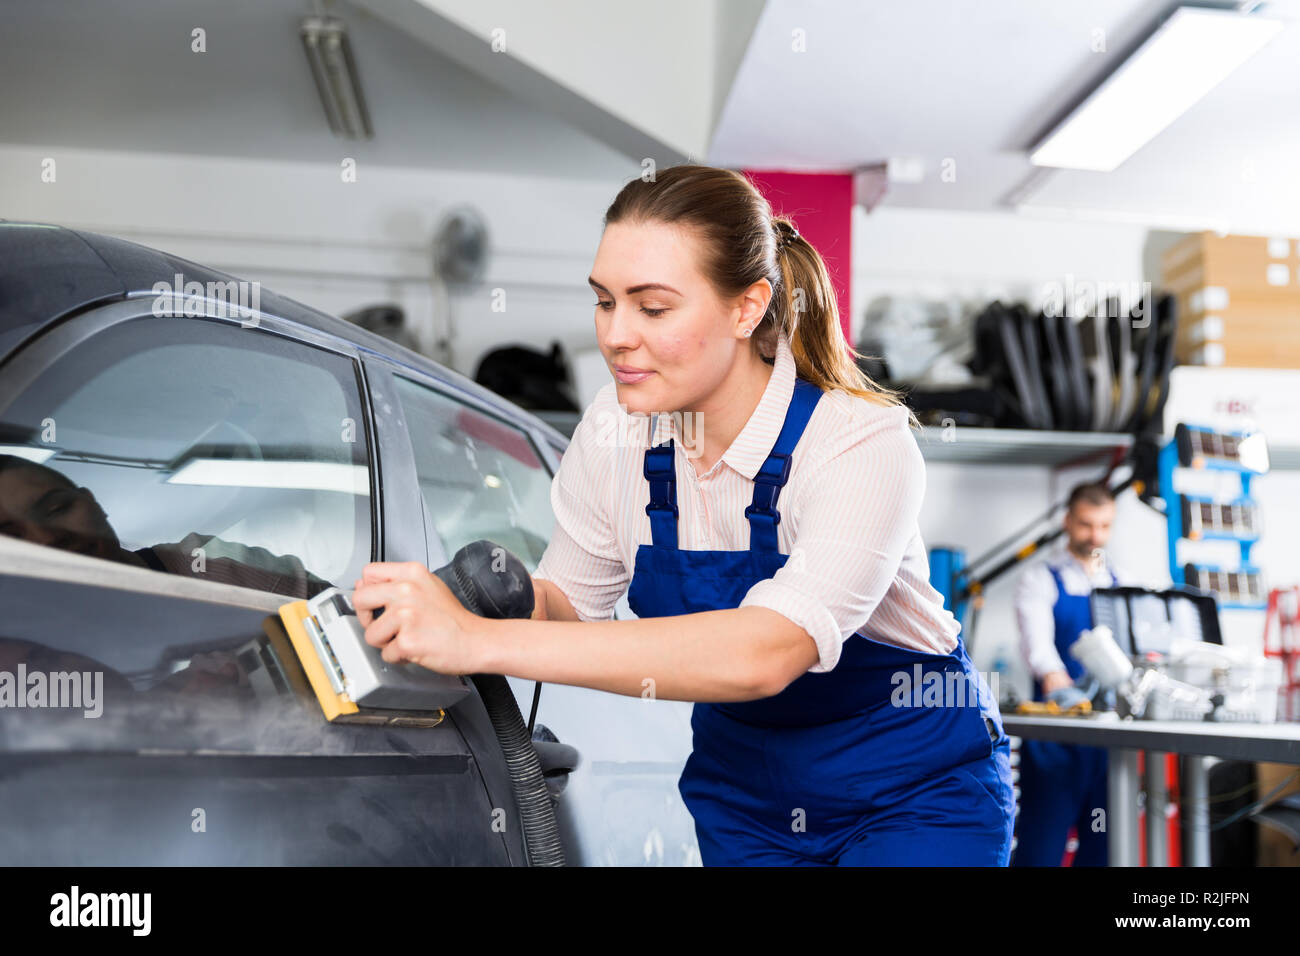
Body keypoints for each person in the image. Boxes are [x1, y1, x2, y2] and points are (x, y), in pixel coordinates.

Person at [351, 163, 1015, 866]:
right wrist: (483, 600)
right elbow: (571, 604)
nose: (615, 335)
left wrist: (475, 642)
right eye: (604, 301)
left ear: (746, 308)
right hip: (749, 799)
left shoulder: (858, 443)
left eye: (653, 307)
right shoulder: (616, 428)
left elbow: (764, 653)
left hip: (913, 791)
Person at [1012, 481, 1122, 867]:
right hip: (1056, 741)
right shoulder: (1040, 579)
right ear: (1067, 521)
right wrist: (1058, 681)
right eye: (1086, 525)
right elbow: (1040, 654)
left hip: (1108, 744)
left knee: (1102, 849)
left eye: (1104, 526)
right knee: (1042, 849)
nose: (1095, 536)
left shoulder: (1118, 584)